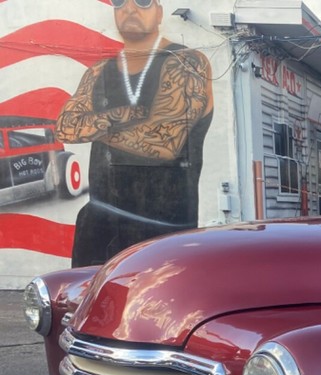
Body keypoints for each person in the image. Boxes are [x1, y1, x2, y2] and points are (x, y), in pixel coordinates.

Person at [56, 0, 214, 267]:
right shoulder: (98, 71)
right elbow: (65, 127)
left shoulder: (187, 62)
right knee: (90, 306)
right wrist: (128, 115)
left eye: (142, 1)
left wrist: (94, 128)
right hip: (98, 228)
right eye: (119, 2)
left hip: (164, 229)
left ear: (160, 12)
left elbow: (164, 141)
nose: (129, 8)